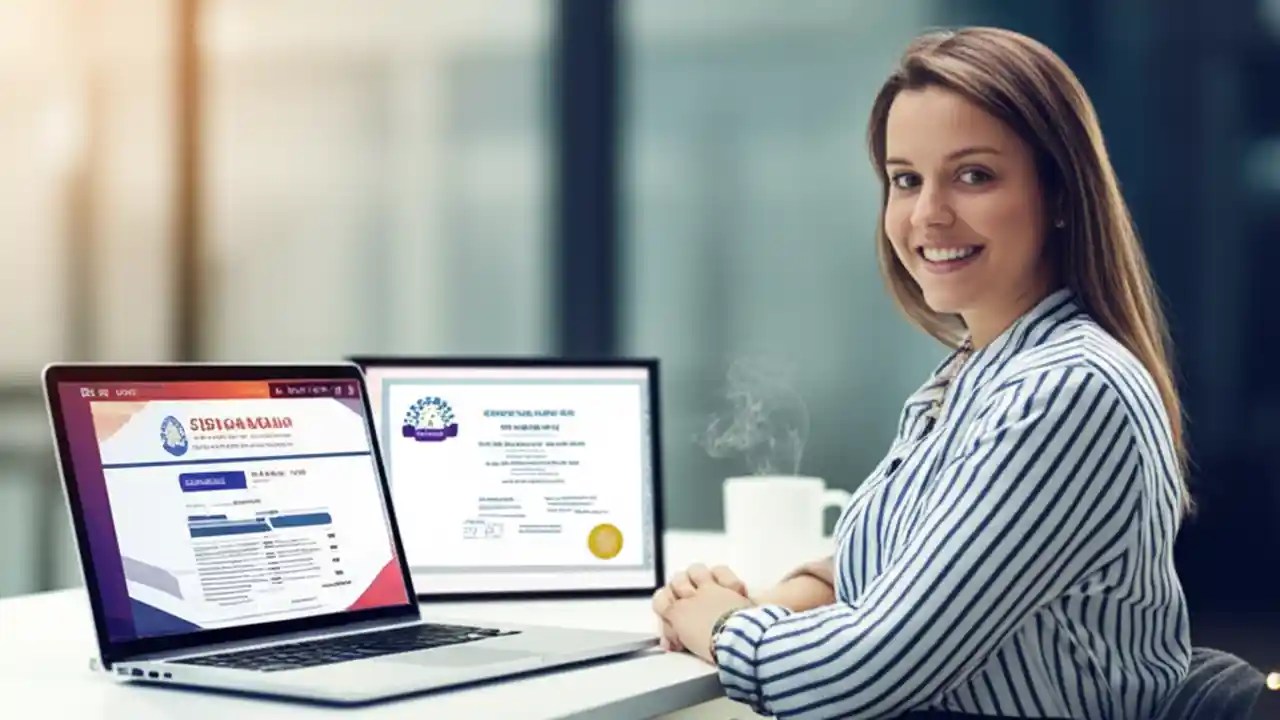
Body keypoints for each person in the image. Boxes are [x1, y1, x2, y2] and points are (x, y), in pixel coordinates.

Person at [652, 26, 1192, 720]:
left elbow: (865, 674)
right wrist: (768, 601)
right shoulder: (969, 377)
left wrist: (725, 629)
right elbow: (899, 561)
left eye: (974, 175)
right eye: (906, 179)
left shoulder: (1067, 390)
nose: (928, 214)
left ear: (1060, 195)